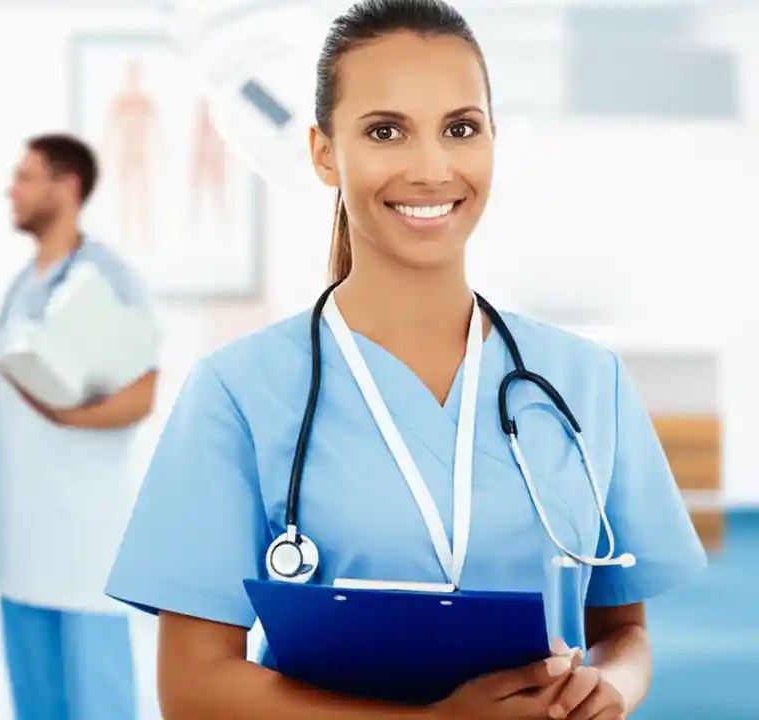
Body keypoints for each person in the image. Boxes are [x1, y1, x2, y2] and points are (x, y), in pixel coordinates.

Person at [105, 1, 708, 719]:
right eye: (386, 131)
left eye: (461, 128)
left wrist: (610, 688)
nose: (431, 167)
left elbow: (623, 632)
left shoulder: (586, 380)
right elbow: (195, 687)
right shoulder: (238, 392)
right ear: (324, 152)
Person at [0, 134, 159, 719]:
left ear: (66, 188)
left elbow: (143, 391)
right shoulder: (22, 284)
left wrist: (69, 416)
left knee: (97, 700)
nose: (11, 189)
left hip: (84, 536)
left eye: (25, 176)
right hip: (23, 536)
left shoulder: (106, 274)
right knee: (37, 702)